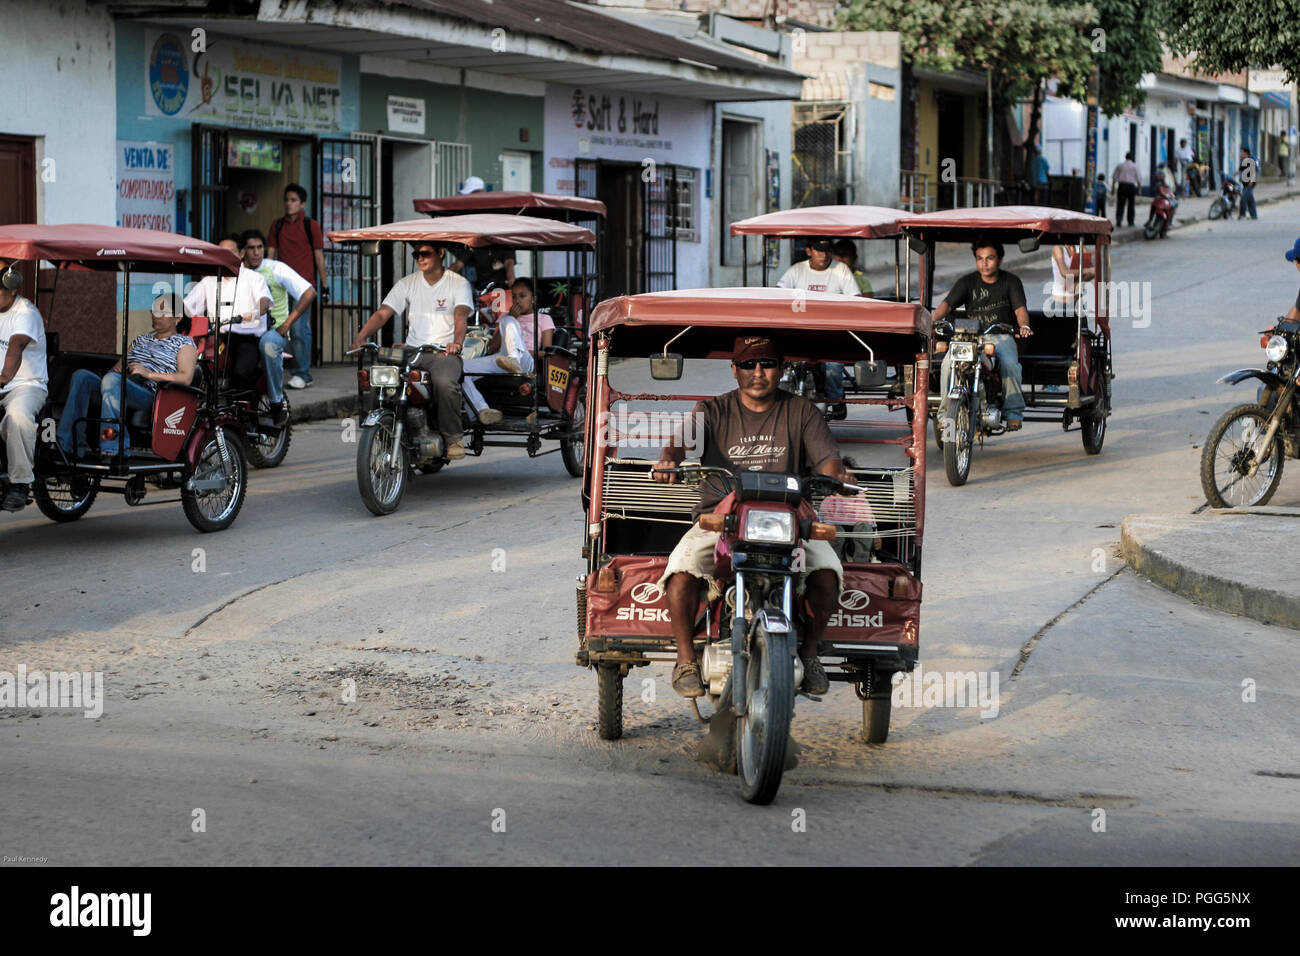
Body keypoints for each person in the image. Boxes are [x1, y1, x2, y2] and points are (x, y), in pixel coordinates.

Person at [652, 335, 854, 698]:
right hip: (721, 518)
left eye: (767, 364)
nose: (758, 372)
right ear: (734, 370)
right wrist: (669, 459)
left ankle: (810, 654)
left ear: (781, 370)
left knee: (827, 575)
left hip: (789, 519)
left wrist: (836, 473)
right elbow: (679, 444)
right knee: (680, 573)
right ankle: (684, 659)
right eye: (748, 364)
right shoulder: (711, 410)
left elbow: (827, 459)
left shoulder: (801, 411)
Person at [351, 241, 473, 459]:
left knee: (445, 384)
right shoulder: (408, 283)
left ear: (440, 253)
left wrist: (456, 342)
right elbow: (383, 313)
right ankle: (377, 427)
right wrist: (361, 337)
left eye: (425, 253)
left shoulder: (458, 283)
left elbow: (460, 316)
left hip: (443, 353)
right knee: (378, 376)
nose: (419, 258)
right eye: (416, 254)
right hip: (411, 352)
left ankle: (453, 437)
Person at [57, 294, 196, 458]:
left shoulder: (184, 343)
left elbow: (185, 378)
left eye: (163, 312)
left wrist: (149, 374)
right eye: (154, 311)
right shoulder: (141, 340)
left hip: (154, 396)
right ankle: (68, 444)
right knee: (82, 377)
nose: (156, 316)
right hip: (124, 385)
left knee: (113, 381)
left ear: (178, 317)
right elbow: (116, 370)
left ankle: (113, 446)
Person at [931, 240, 1032, 431]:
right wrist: (930, 321)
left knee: (1011, 365)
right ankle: (945, 416)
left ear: (1000, 260)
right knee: (947, 364)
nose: (984, 264)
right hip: (969, 337)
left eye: (990, 258)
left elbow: (1020, 310)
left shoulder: (1011, 281)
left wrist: (1024, 325)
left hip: (1000, 336)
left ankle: (1013, 413)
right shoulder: (967, 282)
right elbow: (946, 305)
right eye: (980, 259)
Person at [238, 229, 316, 425]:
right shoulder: (236, 271)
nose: (256, 252)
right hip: (242, 332)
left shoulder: (275, 268)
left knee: (268, 344)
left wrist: (287, 324)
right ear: (242, 252)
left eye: (260, 247)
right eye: (251, 248)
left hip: (273, 332)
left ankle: (275, 401)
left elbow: (309, 292)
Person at [776, 237, 858, 421]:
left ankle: (836, 401)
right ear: (809, 251)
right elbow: (778, 292)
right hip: (800, 332)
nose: (823, 254)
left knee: (833, 366)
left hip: (832, 334)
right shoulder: (797, 270)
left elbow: (855, 298)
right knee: (779, 364)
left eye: (827, 250)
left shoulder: (840, 270)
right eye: (819, 250)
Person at [183, 236, 271, 393]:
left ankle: (244, 412)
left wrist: (255, 312)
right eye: (221, 252)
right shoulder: (209, 280)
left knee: (242, 373)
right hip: (217, 338)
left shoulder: (254, 278)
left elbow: (264, 301)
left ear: (241, 253)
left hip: (246, 339)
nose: (225, 255)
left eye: (231, 252)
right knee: (197, 368)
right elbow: (188, 306)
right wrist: (169, 310)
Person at [460, 278, 545, 425]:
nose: (517, 301)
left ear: (533, 298)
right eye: (514, 297)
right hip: (502, 359)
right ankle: (481, 410)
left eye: (522, 296)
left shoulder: (544, 319)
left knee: (509, 322)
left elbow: (548, 352)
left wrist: (522, 352)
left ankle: (514, 359)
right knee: (458, 367)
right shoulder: (506, 317)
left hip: (526, 362)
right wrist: (510, 317)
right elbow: (493, 347)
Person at [267, 183, 327, 390]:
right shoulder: (277, 225)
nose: (288, 204)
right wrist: (264, 279)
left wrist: (324, 284)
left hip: (303, 287)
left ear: (302, 203)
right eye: (286, 199)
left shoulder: (312, 226)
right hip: (280, 285)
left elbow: (318, 255)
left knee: (300, 329)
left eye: (293, 200)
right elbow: (271, 253)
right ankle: (282, 371)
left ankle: (303, 374)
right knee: (277, 327)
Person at [0, 257, 47, 512]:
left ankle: (20, 483)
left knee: (17, 417)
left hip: (26, 384)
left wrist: (5, 377)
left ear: (13, 288)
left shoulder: (26, 313)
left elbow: (16, 347)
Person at [1049, 244, 1095, 316]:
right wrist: (1086, 271)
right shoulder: (1058, 248)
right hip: (1060, 303)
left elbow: (1093, 271)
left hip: (1077, 302)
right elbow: (1064, 272)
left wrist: (1076, 284)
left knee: (1083, 326)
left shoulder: (1080, 246)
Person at [1112, 152, 1141, 227]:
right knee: (1131, 205)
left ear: (1125, 157)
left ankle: (1119, 220)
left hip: (1122, 186)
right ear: (1132, 158)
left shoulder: (1120, 165)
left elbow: (1114, 177)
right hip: (1131, 187)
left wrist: (1113, 188)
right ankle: (1130, 221)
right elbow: (1138, 179)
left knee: (1120, 204)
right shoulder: (1135, 166)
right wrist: (1139, 189)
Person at [1238, 146, 1259, 220]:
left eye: (1242, 153)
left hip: (1250, 183)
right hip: (1245, 183)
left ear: (1246, 153)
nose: (1240, 154)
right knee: (1250, 199)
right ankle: (1254, 215)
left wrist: (1251, 181)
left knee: (1244, 198)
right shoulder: (1243, 160)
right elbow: (1240, 170)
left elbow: (1255, 171)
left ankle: (1242, 214)